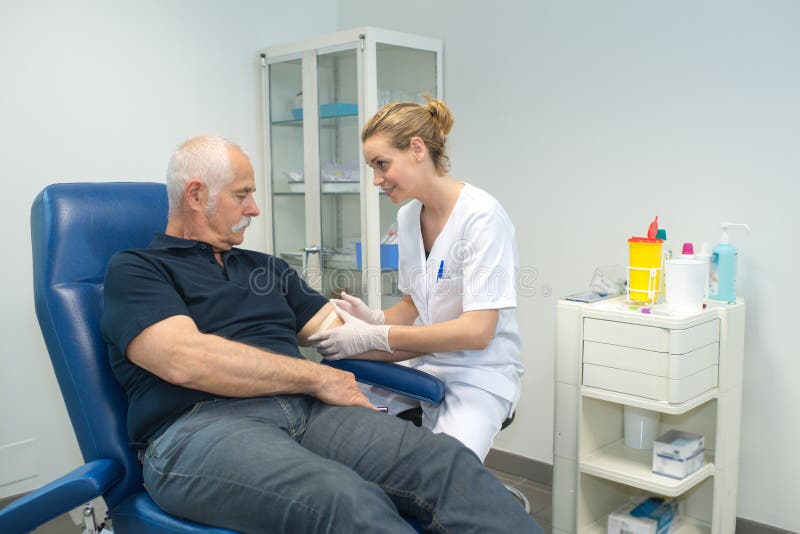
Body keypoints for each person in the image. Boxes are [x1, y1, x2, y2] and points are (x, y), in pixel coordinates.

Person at [101, 135, 541, 534]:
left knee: (445, 464)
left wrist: (373, 327)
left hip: (309, 413)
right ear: (197, 195)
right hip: (199, 428)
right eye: (243, 195)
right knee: (343, 500)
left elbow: (341, 334)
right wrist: (317, 377)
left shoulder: (265, 269)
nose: (255, 208)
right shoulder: (138, 269)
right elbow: (185, 358)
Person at [309, 99, 523, 461]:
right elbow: (414, 305)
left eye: (382, 164)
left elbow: (477, 331)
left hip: (477, 373)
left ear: (417, 149)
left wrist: (377, 337)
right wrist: (374, 318)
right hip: (423, 362)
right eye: (372, 168)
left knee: (442, 474)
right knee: (341, 428)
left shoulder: (482, 218)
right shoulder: (409, 217)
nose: (376, 180)